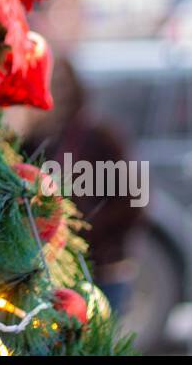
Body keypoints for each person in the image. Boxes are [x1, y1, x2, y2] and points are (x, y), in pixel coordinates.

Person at [19, 56, 143, 316]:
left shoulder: (100, 138)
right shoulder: (27, 142)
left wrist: (90, 232)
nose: (55, 94)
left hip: (102, 270)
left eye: (60, 85)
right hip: (48, 273)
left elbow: (133, 201)